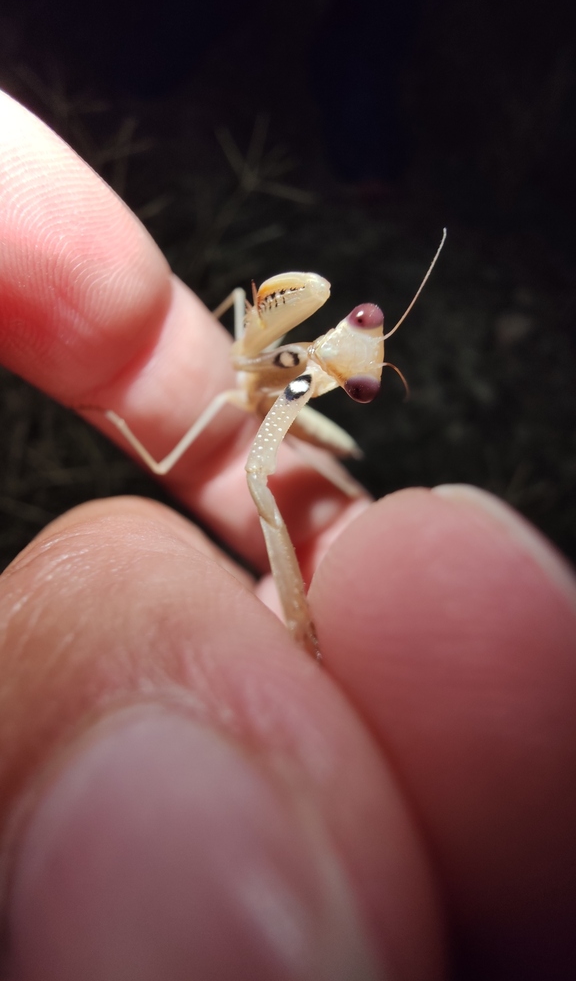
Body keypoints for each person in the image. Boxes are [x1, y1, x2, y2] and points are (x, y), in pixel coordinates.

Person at [1, 89, 575, 981]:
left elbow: (267, 457)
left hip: (280, 408)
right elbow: (251, 335)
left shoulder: (312, 392)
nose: (358, 331)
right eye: (364, 325)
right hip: (258, 383)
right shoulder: (291, 337)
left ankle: (302, 620)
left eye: (364, 367)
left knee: (265, 475)